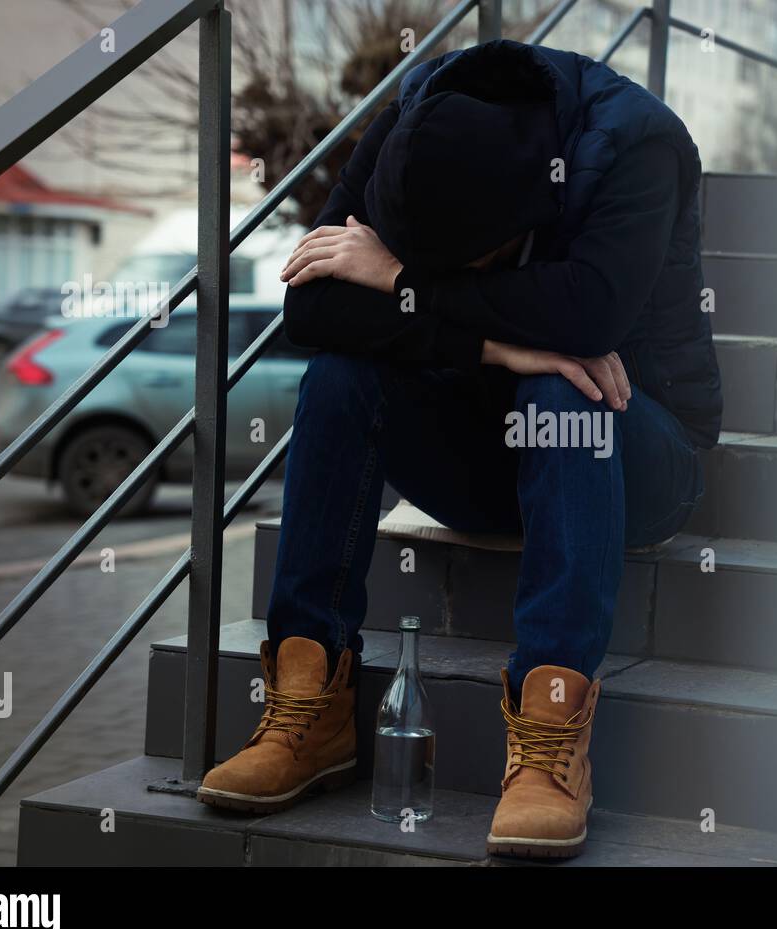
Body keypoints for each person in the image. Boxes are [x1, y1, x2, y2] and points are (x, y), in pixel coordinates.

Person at [195, 38, 721, 860]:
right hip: (486, 452)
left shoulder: (636, 144)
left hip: (640, 452)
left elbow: (588, 319)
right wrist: (496, 345)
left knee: (566, 386)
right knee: (339, 377)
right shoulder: (414, 118)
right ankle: (312, 698)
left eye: (453, 264)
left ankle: (550, 734)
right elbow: (310, 312)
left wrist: (399, 280)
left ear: (517, 228)